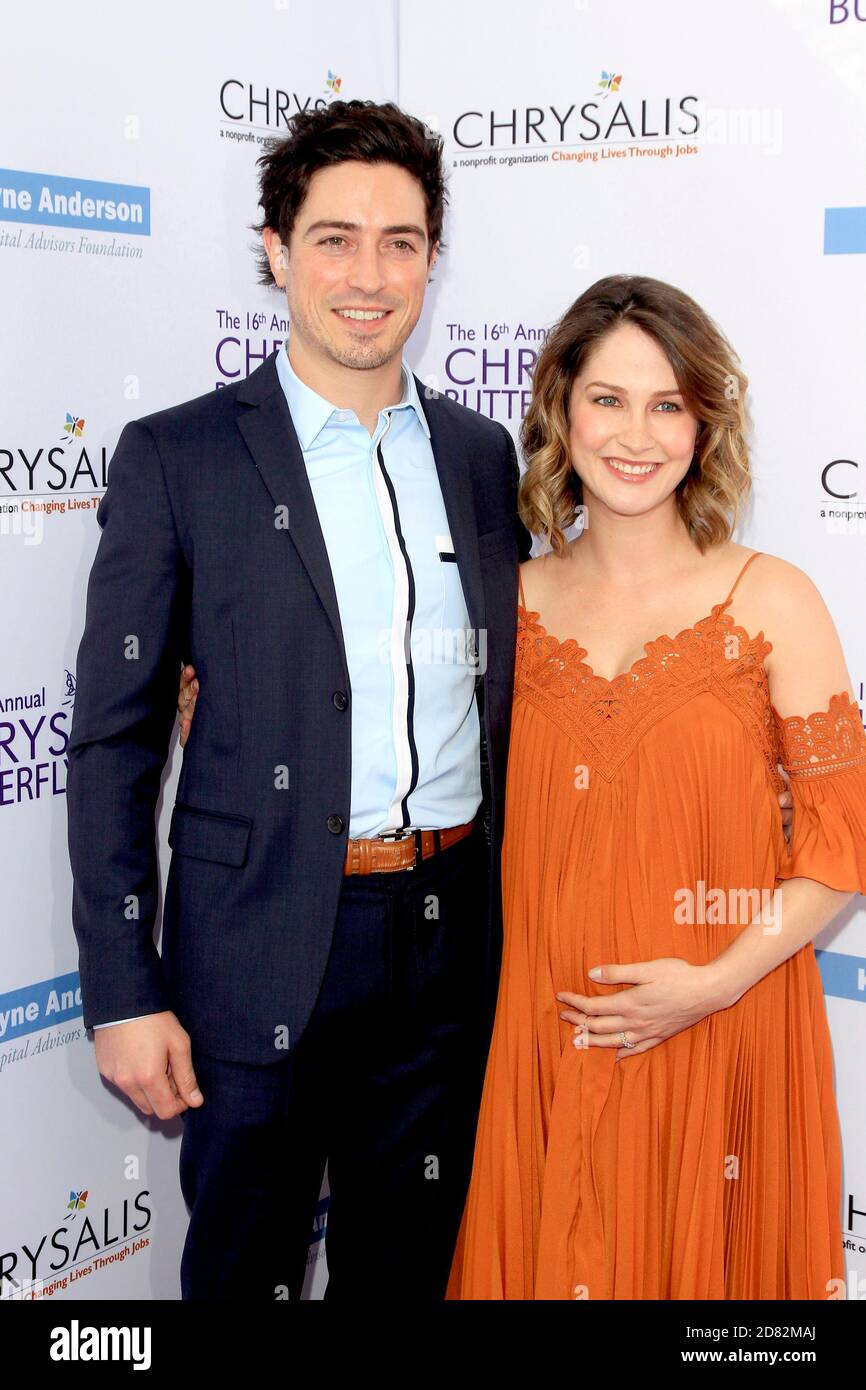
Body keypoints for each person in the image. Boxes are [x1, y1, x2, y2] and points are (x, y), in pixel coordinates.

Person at [65, 99, 532, 1302]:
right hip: (257, 940)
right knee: (243, 1273)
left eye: (399, 241)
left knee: (408, 1272)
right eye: (332, 238)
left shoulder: (484, 459)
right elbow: (114, 737)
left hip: (447, 941)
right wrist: (122, 987)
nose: (366, 276)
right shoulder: (178, 457)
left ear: (432, 257)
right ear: (274, 251)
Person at [440, 275, 866, 1299]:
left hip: (721, 1031)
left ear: (702, 424)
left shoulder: (769, 599)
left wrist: (711, 981)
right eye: (607, 399)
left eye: (666, 403)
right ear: (558, 410)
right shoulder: (503, 603)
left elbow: (837, 847)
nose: (635, 434)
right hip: (540, 1036)